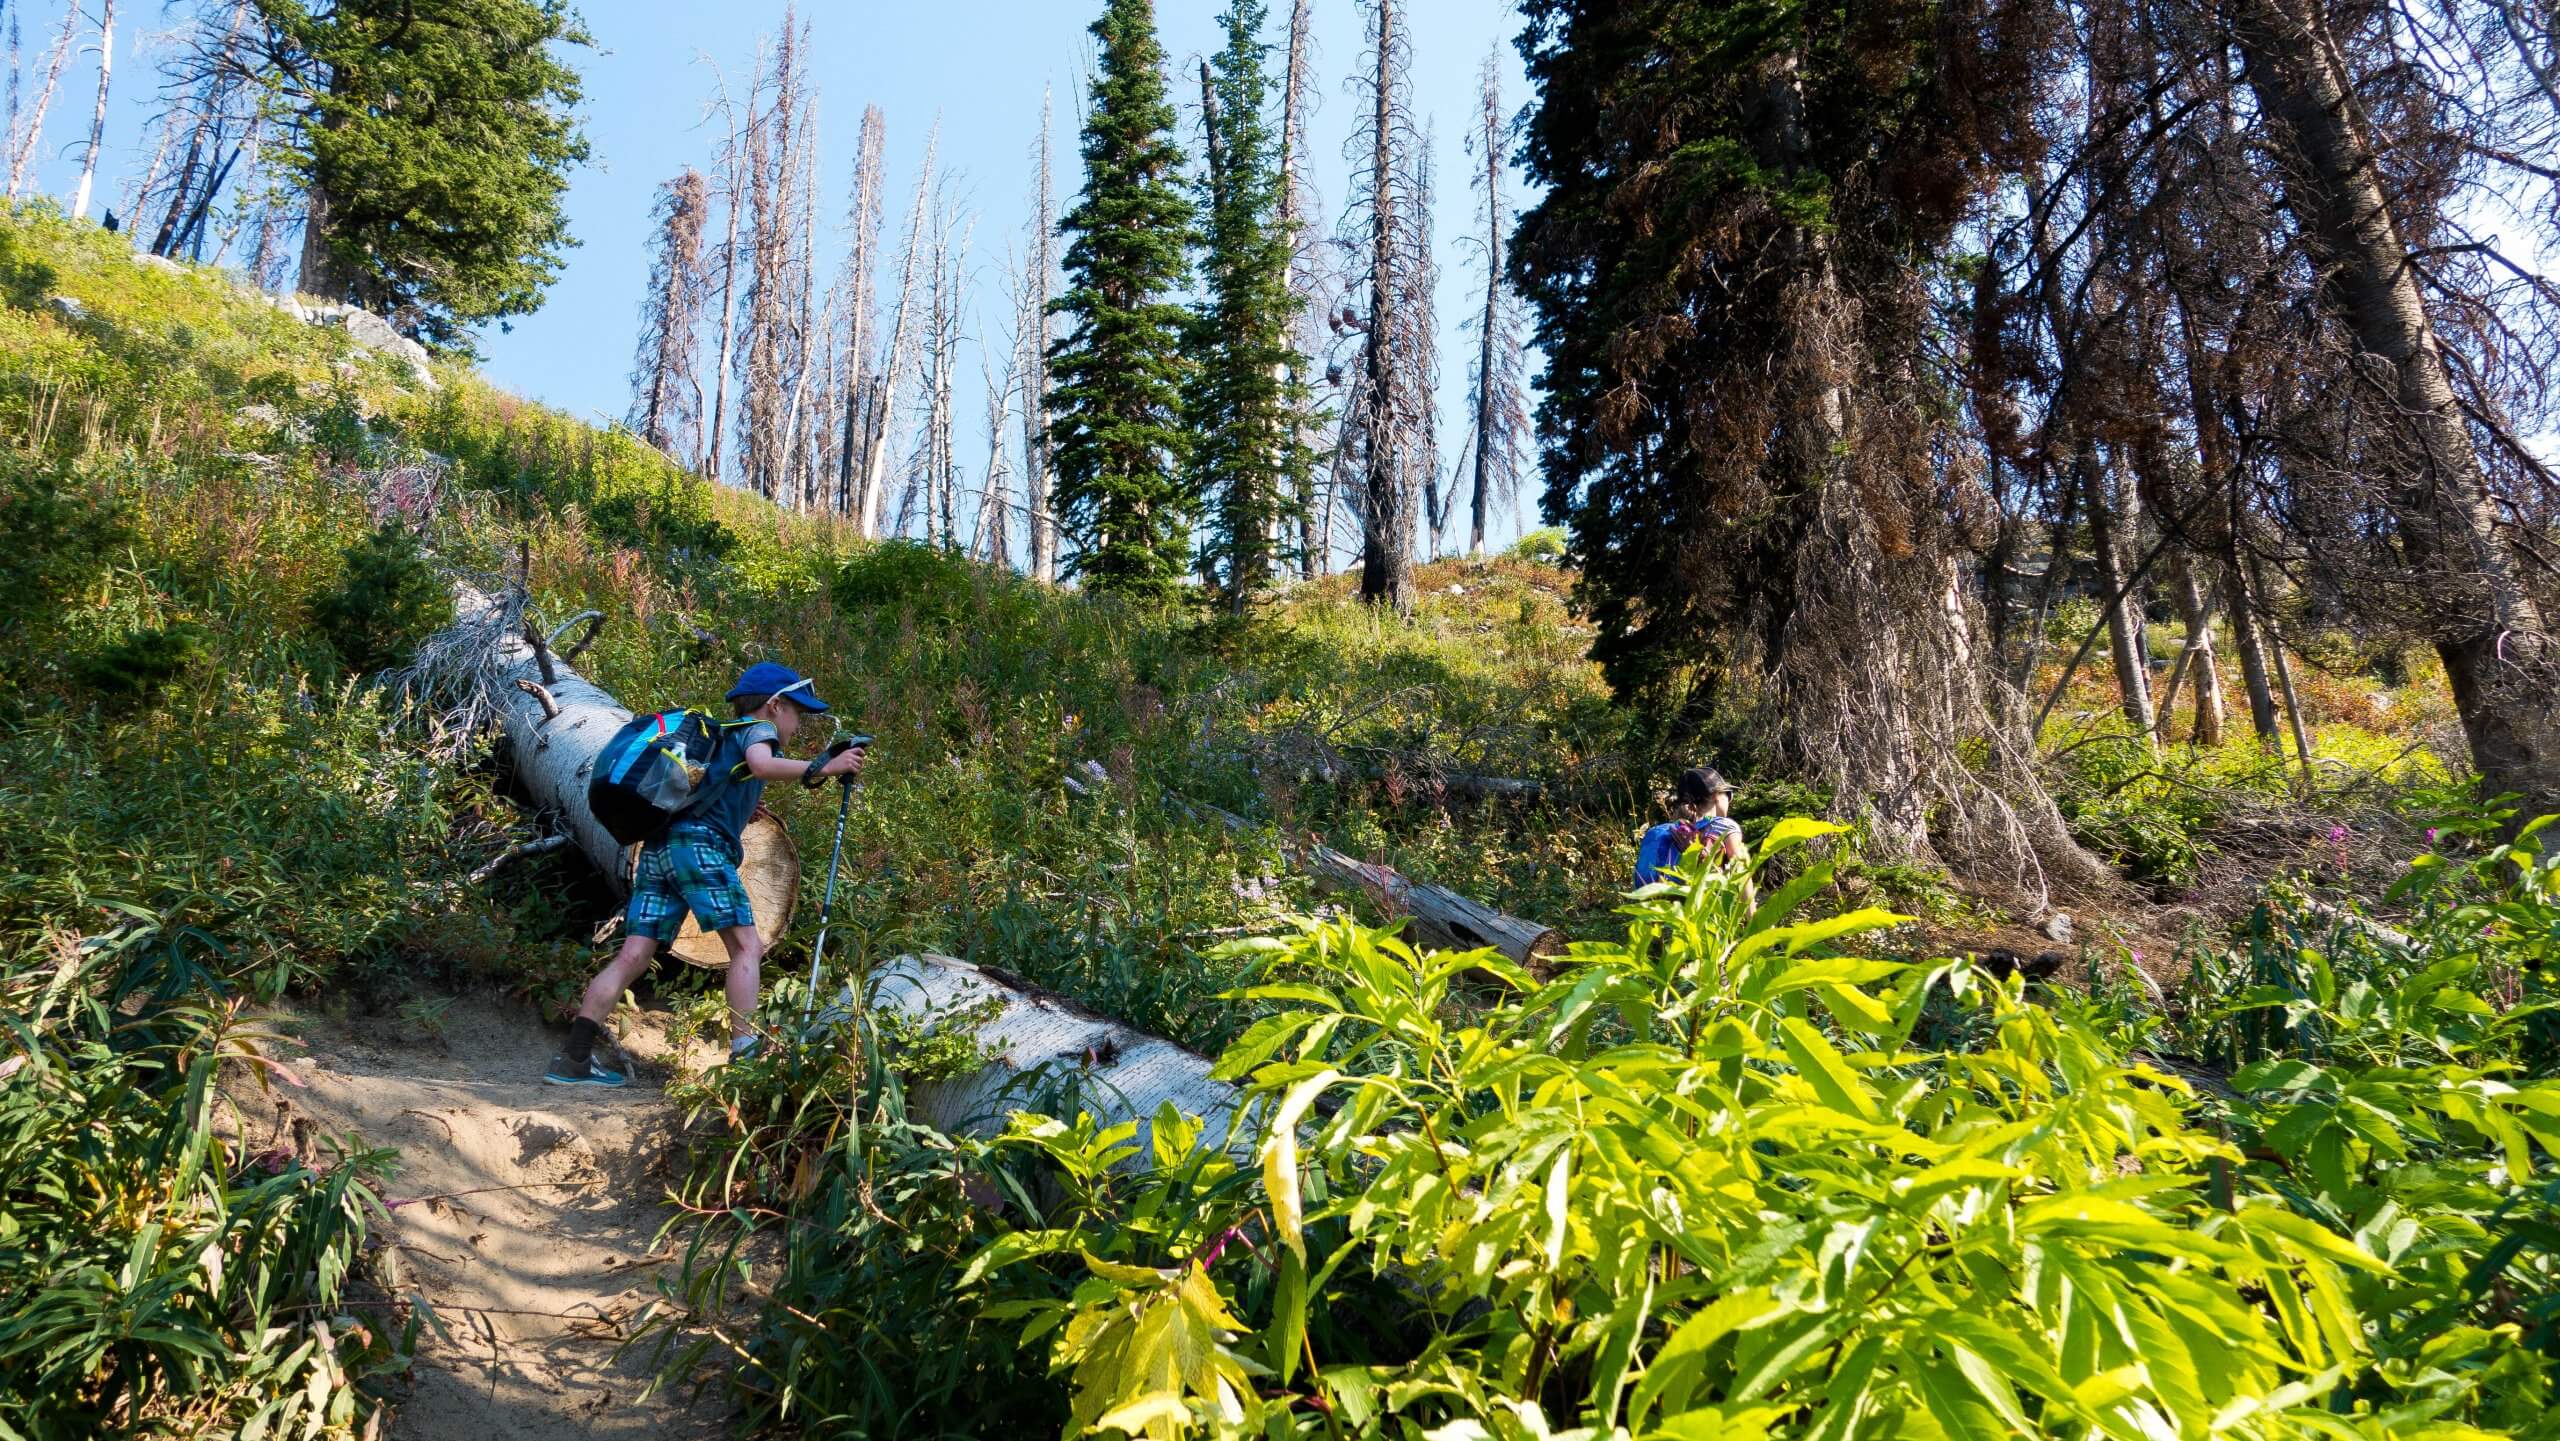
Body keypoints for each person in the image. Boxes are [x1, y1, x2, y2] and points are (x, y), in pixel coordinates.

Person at [544, 662, 865, 1087]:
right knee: (747, 947)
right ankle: (745, 1061)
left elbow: (717, 787)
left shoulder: (723, 737)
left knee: (633, 956)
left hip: (659, 850)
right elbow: (763, 764)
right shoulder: (758, 731)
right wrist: (825, 766)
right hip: (699, 848)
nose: (797, 723)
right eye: (797, 712)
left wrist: (742, 809)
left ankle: (574, 1059)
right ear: (774, 705)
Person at [1635, 766, 1753, 901]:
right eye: (1728, 794)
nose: (1729, 800)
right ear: (1716, 796)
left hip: (1661, 910)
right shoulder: (1725, 825)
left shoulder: (1662, 831)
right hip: (1704, 911)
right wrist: (1753, 918)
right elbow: (1742, 873)